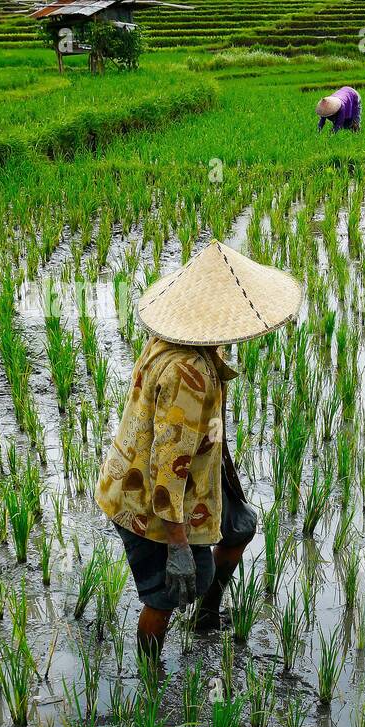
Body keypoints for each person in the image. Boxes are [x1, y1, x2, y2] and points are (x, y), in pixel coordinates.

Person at [95, 240, 301, 651]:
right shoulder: (189, 374)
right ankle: (151, 686)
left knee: (238, 527)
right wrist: (177, 545)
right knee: (165, 595)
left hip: (184, 482)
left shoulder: (183, 343)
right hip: (148, 498)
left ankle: (207, 618)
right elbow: (167, 469)